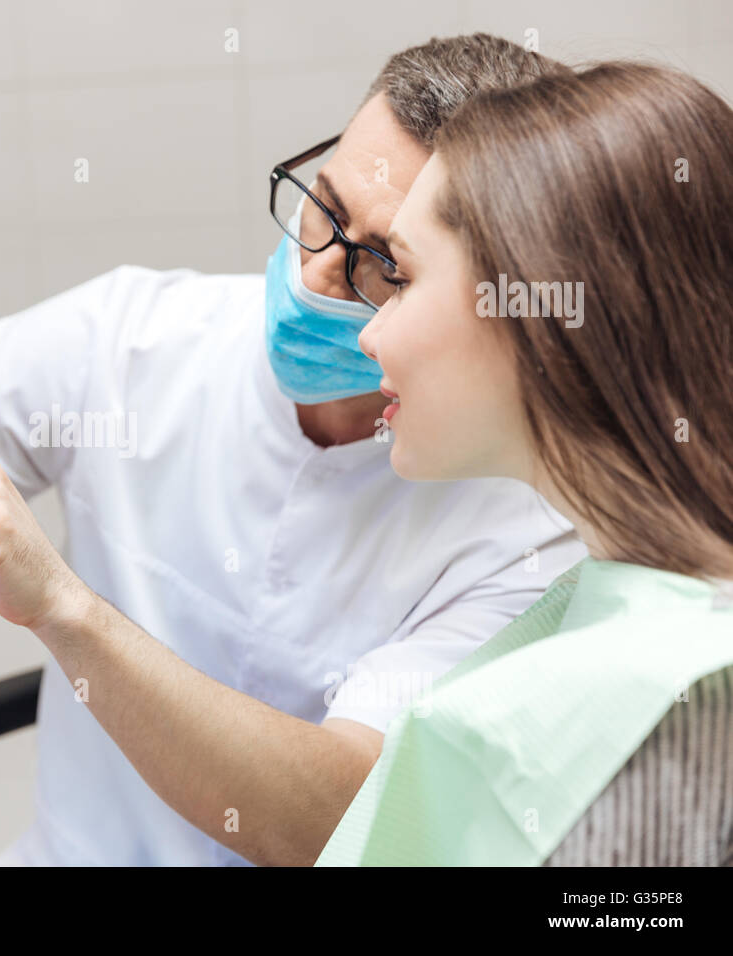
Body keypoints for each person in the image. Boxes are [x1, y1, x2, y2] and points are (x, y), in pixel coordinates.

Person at [0, 35, 583, 866]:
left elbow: (338, 825)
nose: (315, 274)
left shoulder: (528, 526)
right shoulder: (130, 339)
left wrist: (64, 608)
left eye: (384, 263)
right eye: (323, 206)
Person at [314, 60, 733, 865]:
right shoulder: (616, 595)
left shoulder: (656, 713)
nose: (368, 333)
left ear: (537, 310)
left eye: (398, 275)